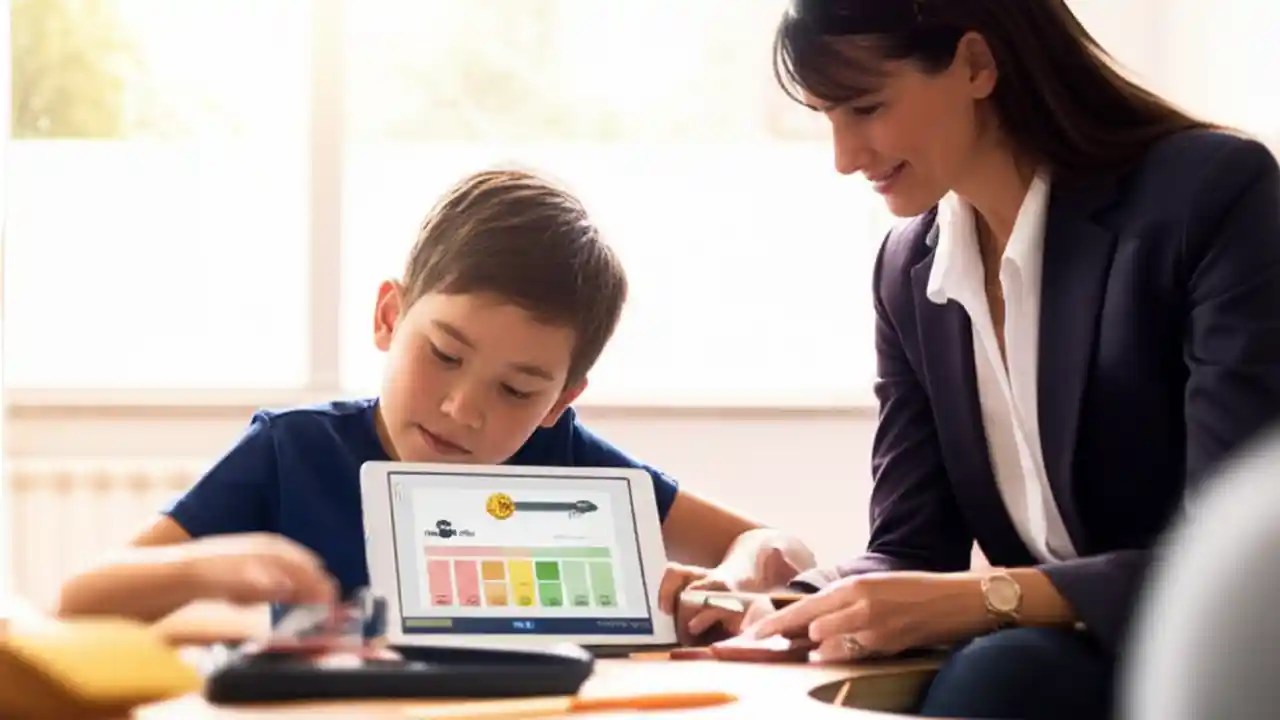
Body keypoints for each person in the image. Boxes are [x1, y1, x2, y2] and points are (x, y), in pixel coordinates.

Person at [723, 1, 1280, 718]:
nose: (844, 157)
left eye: (865, 107)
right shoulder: (908, 270)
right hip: (1074, 653)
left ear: (978, 66)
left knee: (1003, 675)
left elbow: (1233, 553)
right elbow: (911, 549)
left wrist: (995, 598)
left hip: (1227, 643)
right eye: (828, 116)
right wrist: (781, 606)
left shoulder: (1208, 195)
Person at [56, 169, 814, 628]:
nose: (462, 410)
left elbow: (782, 546)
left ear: (561, 399)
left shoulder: (565, 458)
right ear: (390, 316)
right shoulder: (292, 453)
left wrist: (734, 577)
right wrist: (207, 567)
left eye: (518, 389)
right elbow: (82, 598)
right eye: (444, 354)